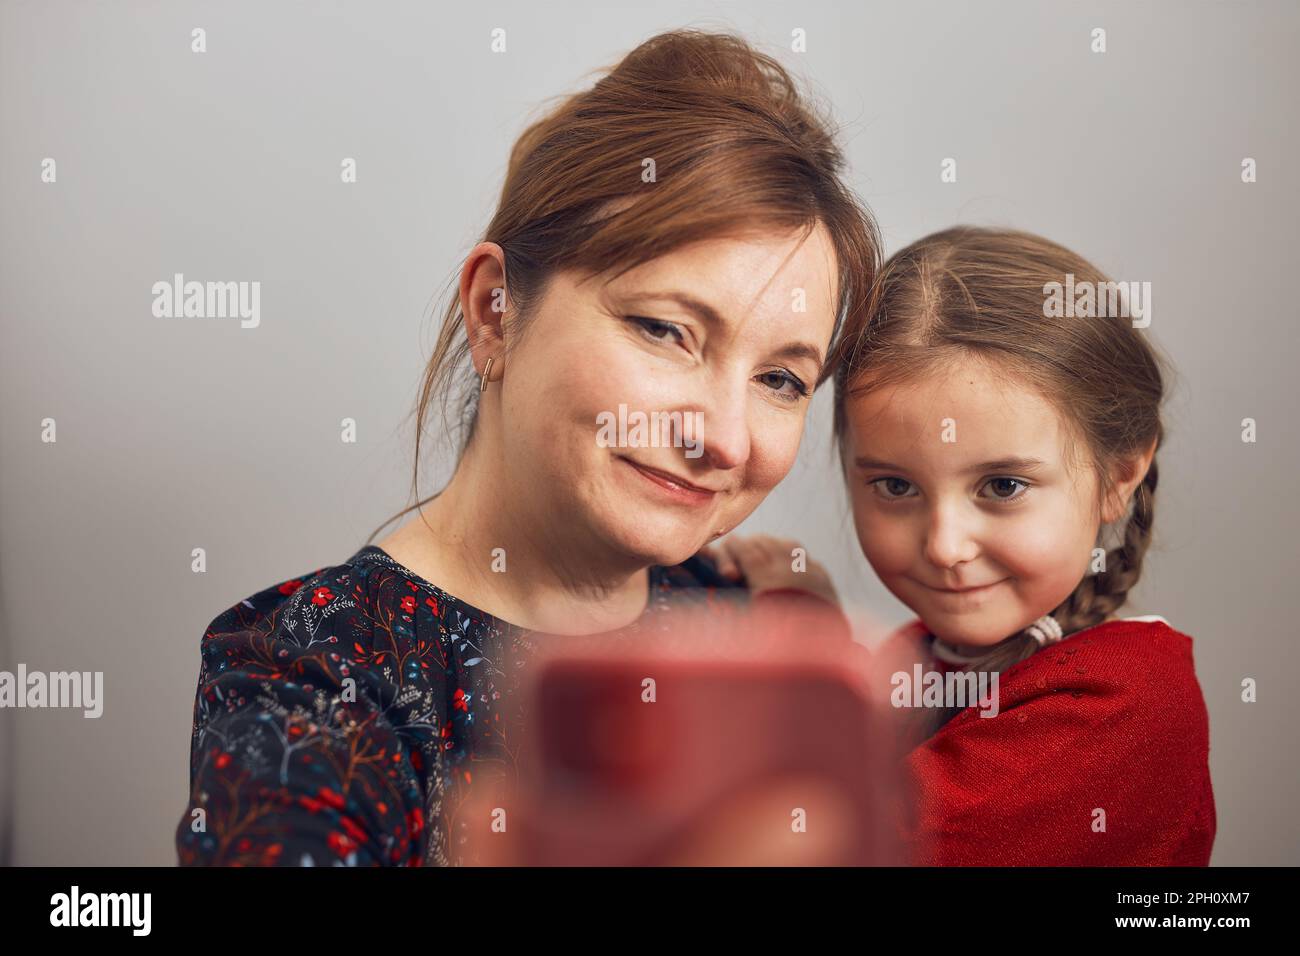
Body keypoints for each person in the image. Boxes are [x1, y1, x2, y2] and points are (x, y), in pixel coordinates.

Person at [174, 29, 880, 866]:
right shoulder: (308, 673)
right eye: (666, 331)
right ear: (494, 311)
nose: (723, 439)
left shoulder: (750, 637)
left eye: (782, 381)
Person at [715, 226, 1217, 865]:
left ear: (1120, 476)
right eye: (896, 485)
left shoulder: (1122, 702)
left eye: (1002, 485)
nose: (945, 546)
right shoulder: (930, 654)